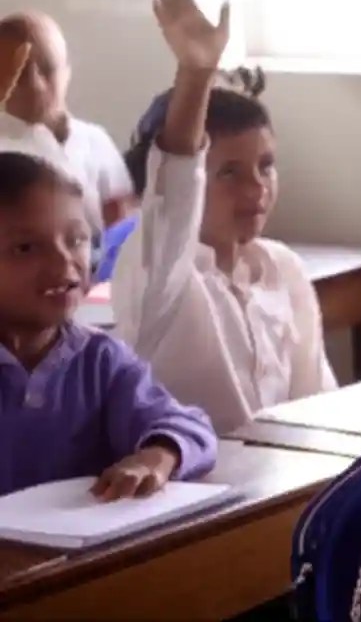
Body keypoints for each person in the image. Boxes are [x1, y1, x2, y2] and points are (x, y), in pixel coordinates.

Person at [112, 0, 336, 433]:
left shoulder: (282, 268)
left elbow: (320, 406)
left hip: (281, 482)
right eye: (229, 172)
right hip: (197, 485)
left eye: (266, 166)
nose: (256, 189)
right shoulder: (160, 269)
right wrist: (196, 74)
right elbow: (174, 190)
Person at [0, 149, 216, 497]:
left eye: (76, 240)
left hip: (83, 548)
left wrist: (156, 456)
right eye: (25, 248)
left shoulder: (101, 361)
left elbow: (188, 426)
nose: (64, 262)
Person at [0, 11, 135, 244]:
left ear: (67, 71)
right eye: (20, 74)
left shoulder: (96, 141)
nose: (36, 85)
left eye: (48, 68)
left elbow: (123, 220)